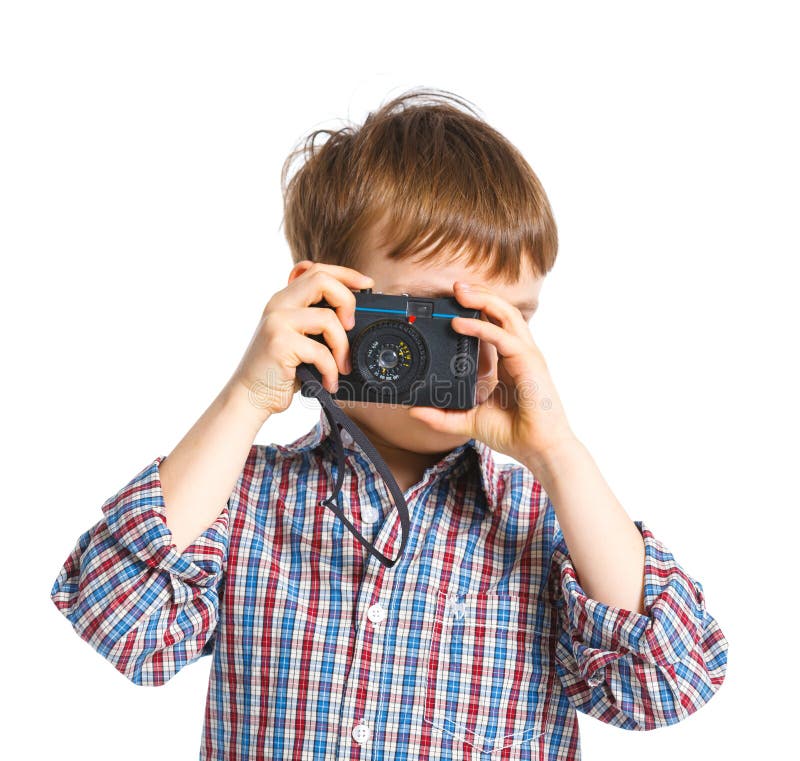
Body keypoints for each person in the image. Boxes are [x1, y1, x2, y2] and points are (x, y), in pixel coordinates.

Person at [50, 88, 728, 760]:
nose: (482, 358)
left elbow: (670, 681)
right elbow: (121, 620)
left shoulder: (548, 525)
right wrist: (248, 395)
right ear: (322, 297)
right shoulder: (242, 498)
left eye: (508, 321)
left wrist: (559, 451)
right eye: (443, 318)